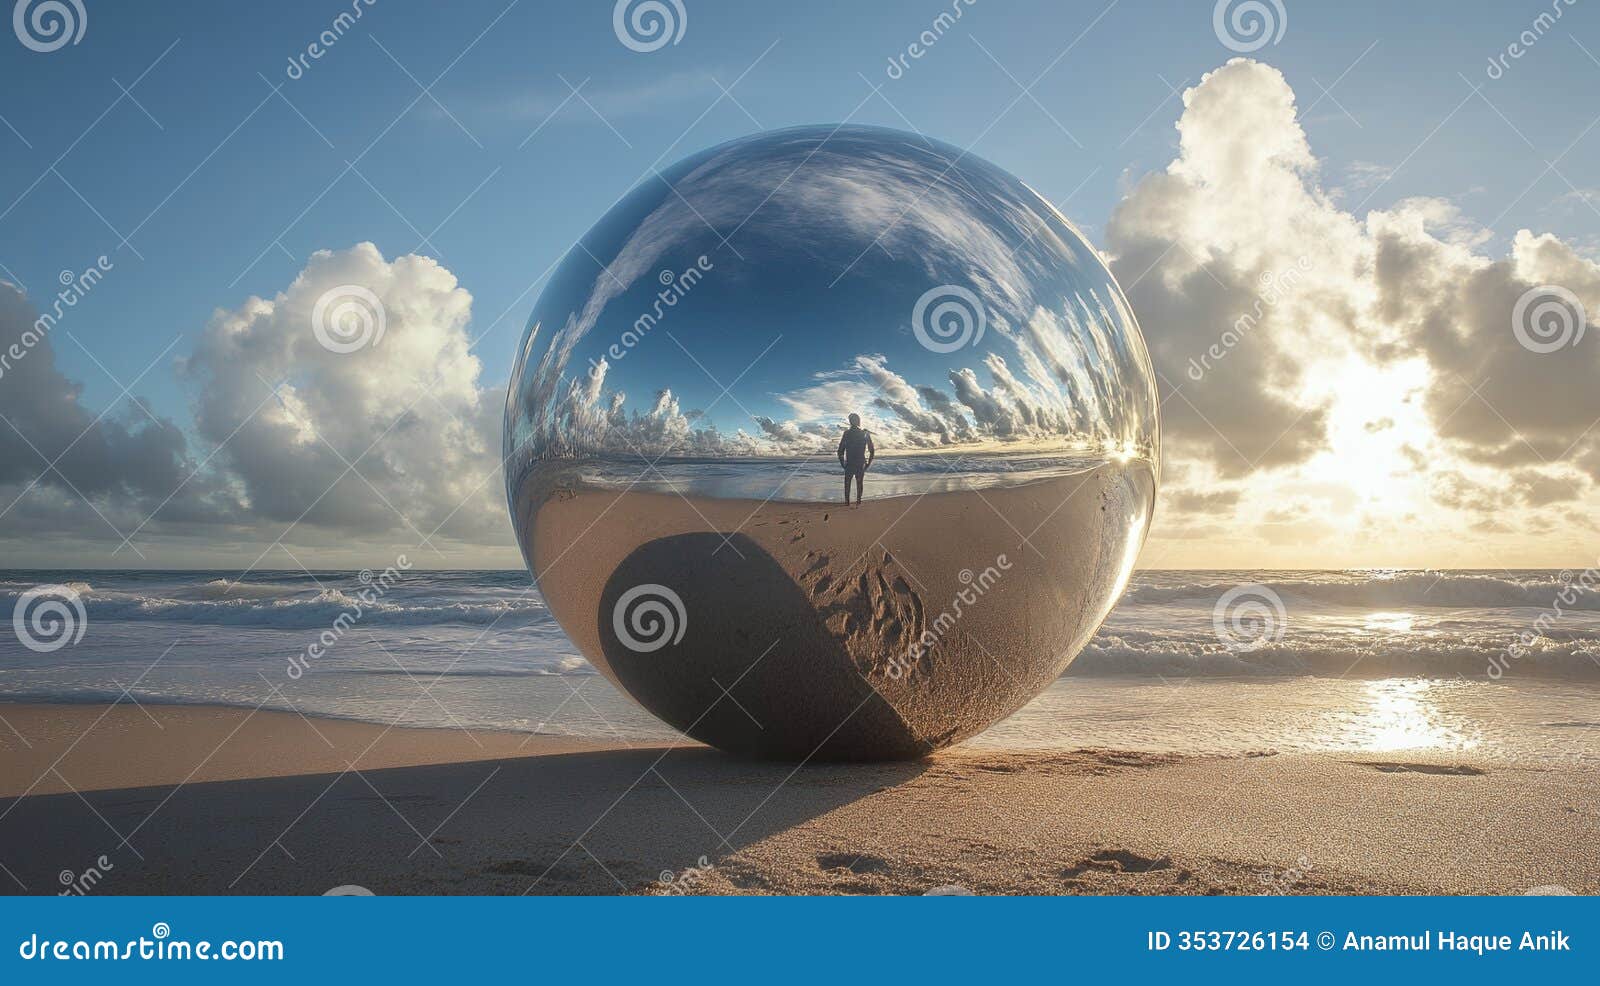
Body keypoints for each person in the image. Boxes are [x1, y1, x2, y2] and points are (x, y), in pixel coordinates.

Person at [836, 413, 875, 507]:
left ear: (850, 422)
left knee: (847, 484)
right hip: (860, 463)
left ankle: (847, 503)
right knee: (859, 483)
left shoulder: (847, 433)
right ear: (858, 421)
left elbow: (840, 451)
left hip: (850, 463)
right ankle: (858, 502)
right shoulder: (864, 433)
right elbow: (872, 451)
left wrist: (843, 464)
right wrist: (868, 464)